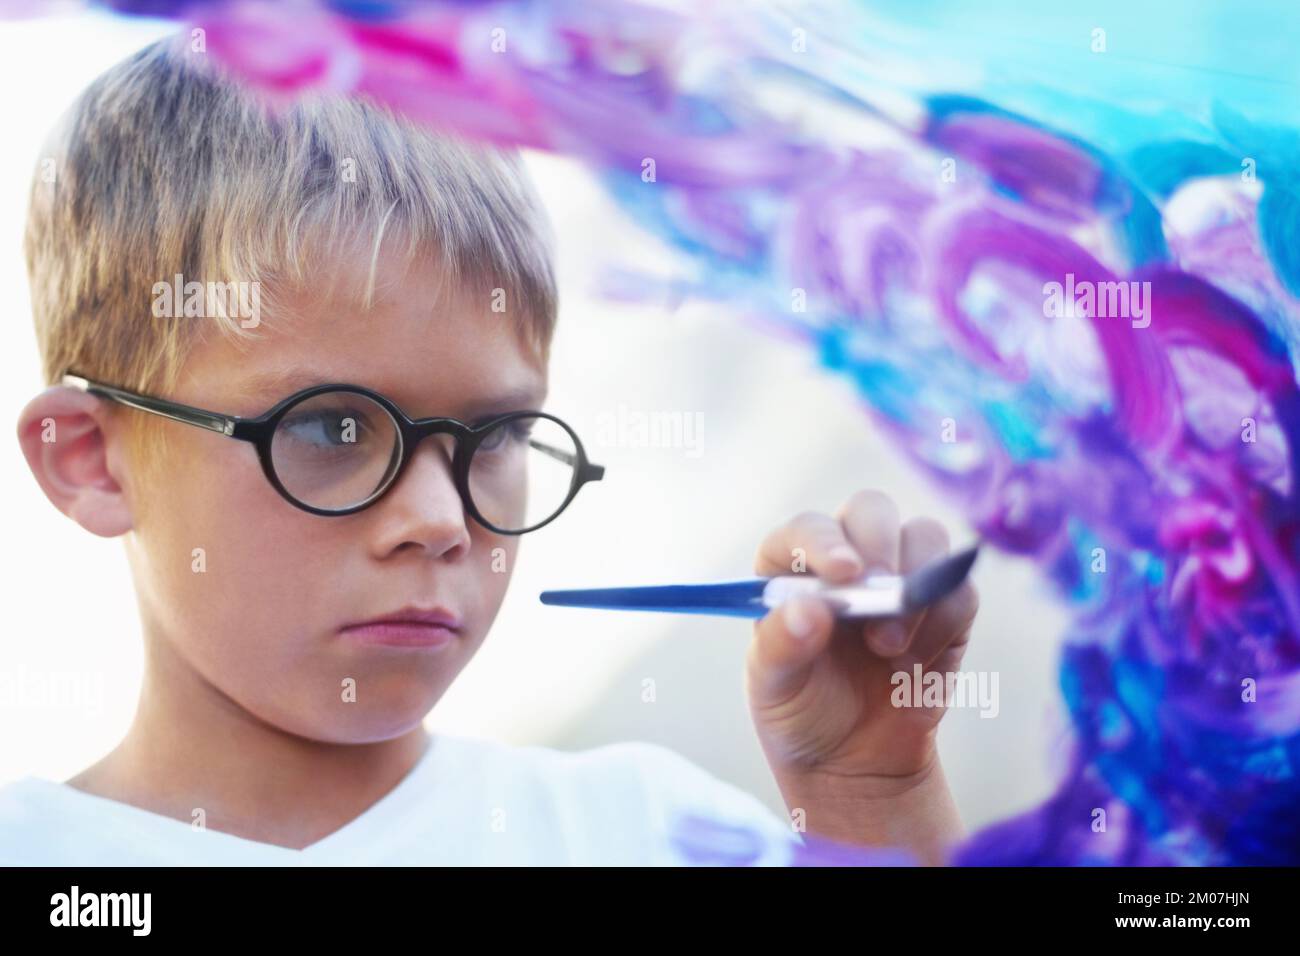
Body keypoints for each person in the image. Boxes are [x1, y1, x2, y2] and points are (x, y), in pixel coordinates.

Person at [5, 37, 978, 865]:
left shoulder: (652, 833)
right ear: (89, 458)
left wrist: (870, 800)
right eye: (332, 429)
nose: (437, 520)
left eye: (495, 435)